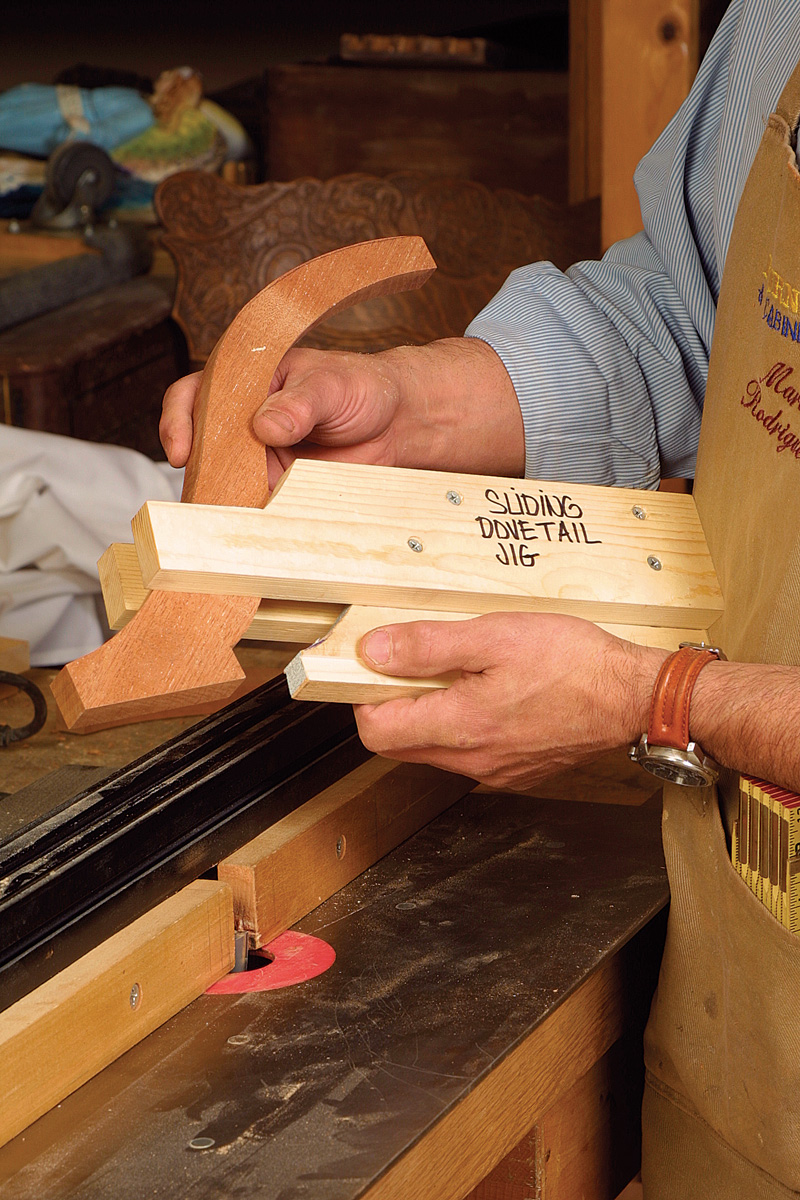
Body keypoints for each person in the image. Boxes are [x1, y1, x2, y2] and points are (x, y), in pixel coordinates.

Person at [161, 0, 800, 799]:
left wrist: (661, 698)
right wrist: (414, 402)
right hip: (741, 873)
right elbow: (697, 314)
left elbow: (654, 694)